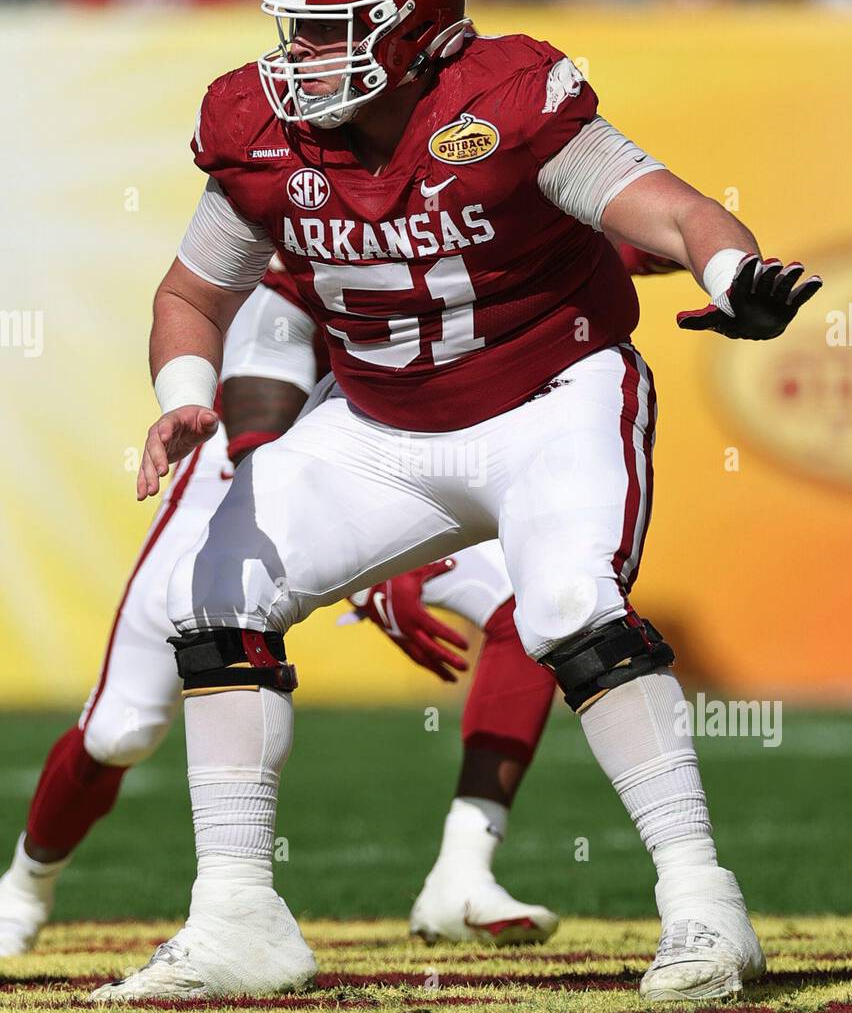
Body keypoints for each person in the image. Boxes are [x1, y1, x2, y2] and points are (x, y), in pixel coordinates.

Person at [94, 0, 820, 1004]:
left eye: (334, 31)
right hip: (382, 425)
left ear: (419, 30)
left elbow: (673, 212)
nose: (299, 58)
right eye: (294, 27)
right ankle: (239, 917)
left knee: (570, 607)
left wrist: (732, 277)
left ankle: (701, 902)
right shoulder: (258, 128)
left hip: (548, 396)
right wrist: (184, 392)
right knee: (212, 595)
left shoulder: (505, 102)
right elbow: (193, 290)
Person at [0, 262, 559, 956]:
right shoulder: (301, 233)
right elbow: (260, 435)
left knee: (528, 605)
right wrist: (374, 577)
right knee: (120, 732)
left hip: (408, 462)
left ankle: (462, 871)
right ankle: (24, 888)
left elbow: (574, 226)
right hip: (246, 478)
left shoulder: (452, 201)